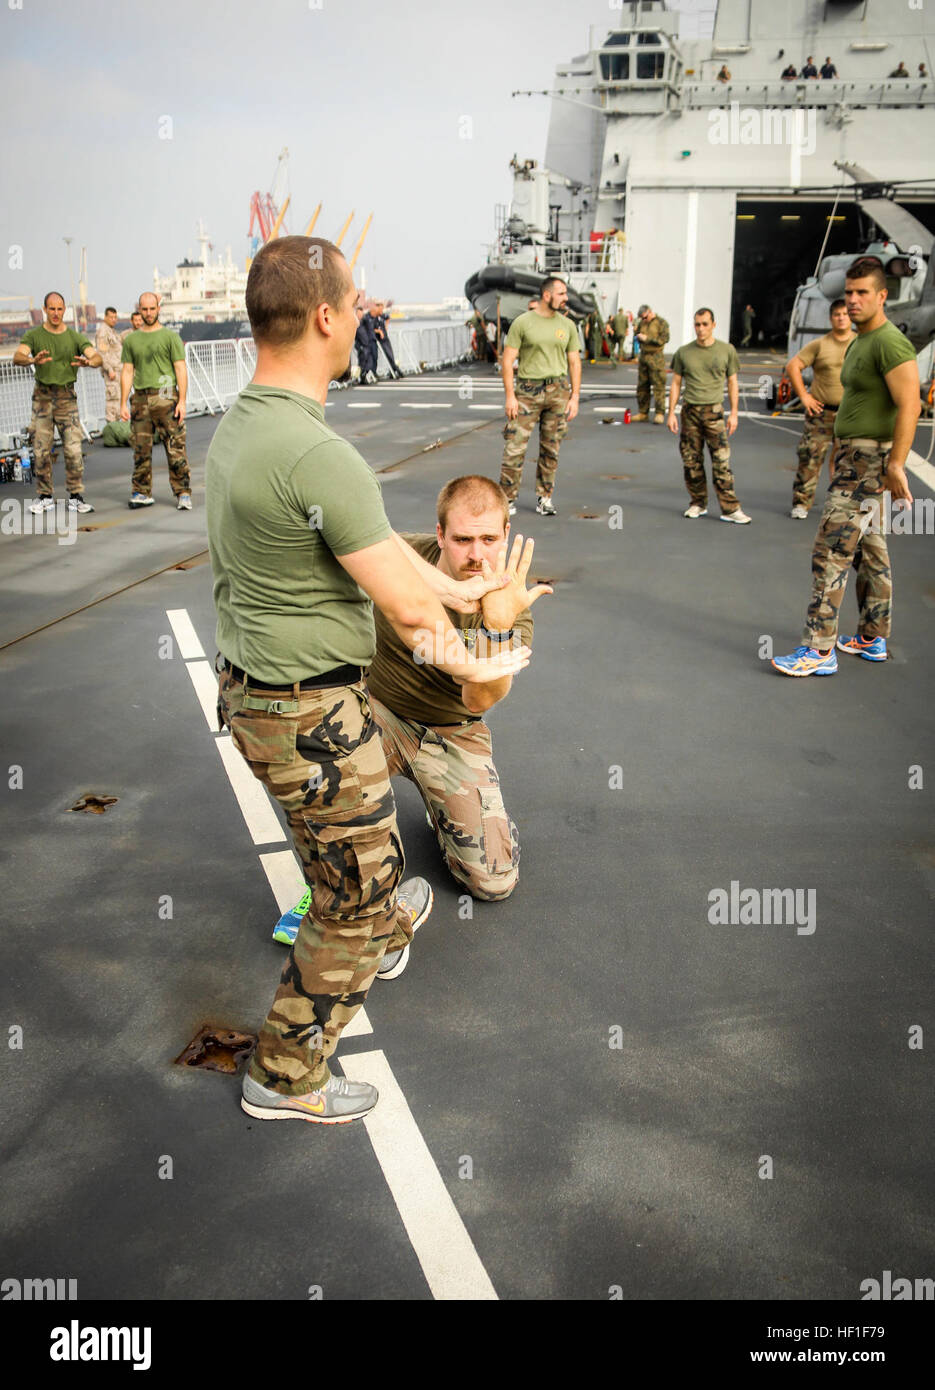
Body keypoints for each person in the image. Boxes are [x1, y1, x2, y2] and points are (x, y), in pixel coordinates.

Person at [205, 235, 530, 1123]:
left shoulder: (247, 426)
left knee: (348, 860)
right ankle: (287, 1075)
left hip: (258, 697)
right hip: (309, 712)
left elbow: (377, 549)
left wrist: (459, 582)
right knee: (353, 903)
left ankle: (380, 921)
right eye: (354, 302)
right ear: (322, 316)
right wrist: (488, 652)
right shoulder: (319, 457)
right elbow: (411, 618)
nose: (362, 313)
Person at [272, 474, 551, 945]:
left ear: (505, 535)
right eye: (462, 539)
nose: (476, 554)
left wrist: (498, 626)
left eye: (488, 539)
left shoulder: (510, 601)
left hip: (452, 733)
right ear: (440, 534)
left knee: (492, 883)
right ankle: (327, 883)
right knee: (316, 761)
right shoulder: (401, 556)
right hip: (378, 713)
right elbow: (331, 542)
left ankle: (453, 818)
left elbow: (476, 699)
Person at [772, 258, 919, 675]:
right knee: (870, 550)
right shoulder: (860, 341)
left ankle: (819, 650)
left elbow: (912, 403)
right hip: (854, 457)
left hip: (870, 462)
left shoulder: (890, 342)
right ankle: (872, 638)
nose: (853, 300)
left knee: (830, 551)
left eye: (862, 293)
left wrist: (896, 464)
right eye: (849, 293)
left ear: (882, 296)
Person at [13, 290, 102, 515]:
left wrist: (89, 362)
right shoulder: (34, 336)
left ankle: (75, 497)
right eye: (51, 309)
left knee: (73, 450)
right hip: (42, 398)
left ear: (64, 310)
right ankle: (45, 497)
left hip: (66, 399)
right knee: (41, 449)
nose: (55, 313)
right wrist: (33, 359)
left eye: (59, 309)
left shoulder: (74, 337)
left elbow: (97, 356)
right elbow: (18, 357)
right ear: (44, 310)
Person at [499, 275, 581, 517]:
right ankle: (507, 500)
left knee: (551, 448)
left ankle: (545, 497)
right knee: (514, 447)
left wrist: (575, 396)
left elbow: (574, 361)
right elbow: (507, 360)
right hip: (527, 392)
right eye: (562, 294)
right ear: (547, 295)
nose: (566, 298)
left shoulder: (567, 326)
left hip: (558, 391)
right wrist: (510, 396)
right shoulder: (523, 323)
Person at [667, 307, 751, 523]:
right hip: (690, 412)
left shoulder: (726, 350)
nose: (701, 329)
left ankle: (730, 508)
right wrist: (671, 413)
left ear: (714, 325)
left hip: (714, 412)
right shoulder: (684, 352)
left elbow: (732, 382)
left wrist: (734, 413)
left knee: (721, 461)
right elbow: (676, 383)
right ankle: (697, 503)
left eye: (705, 324)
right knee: (691, 461)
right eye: (697, 324)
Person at [119, 291, 191, 510]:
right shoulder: (131, 339)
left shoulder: (170, 337)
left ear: (158, 309)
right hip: (140, 399)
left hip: (166, 395)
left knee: (174, 446)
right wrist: (123, 402)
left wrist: (182, 401)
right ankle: (141, 492)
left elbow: (180, 368)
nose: (149, 313)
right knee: (140, 448)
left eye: (152, 309)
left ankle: (183, 492)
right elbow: (127, 371)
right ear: (139, 310)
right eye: (145, 309)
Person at [785, 299, 854, 518]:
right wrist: (804, 396)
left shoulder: (861, 343)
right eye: (837, 314)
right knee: (810, 456)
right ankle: (801, 503)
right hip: (821, 413)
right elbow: (793, 366)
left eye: (845, 313)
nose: (841, 317)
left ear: (850, 316)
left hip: (851, 414)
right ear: (831, 318)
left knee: (849, 460)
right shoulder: (820, 344)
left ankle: (842, 504)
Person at [632, 304, 670, 423]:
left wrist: (647, 339)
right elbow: (637, 334)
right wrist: (637, 336)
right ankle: (643, 412)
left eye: (644, 317)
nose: (643, 320)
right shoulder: (642, 323)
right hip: (644, 356)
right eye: (641, 318)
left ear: (650, 312)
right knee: (642, 386)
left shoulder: (661, 323)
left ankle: (659, 413)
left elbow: (664, 339)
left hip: (656, 357)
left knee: (658, 385)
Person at [96, 306, 123, 423]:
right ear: (105, 317)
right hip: (112, 372)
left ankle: (117, 426)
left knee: (118, 400)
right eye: (111, 317)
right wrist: (109, 369)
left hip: (118, 371)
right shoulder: (103, 332)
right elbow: (102, 353)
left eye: (115, 317)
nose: (113, 319)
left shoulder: (112, 331)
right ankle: (112, 427)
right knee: (112, 401)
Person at [374, 301, 403, 380]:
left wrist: (386, 326)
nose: (381, 310)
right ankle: (395, 370)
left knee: (391, 355)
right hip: (380, 340)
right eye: (380, 309)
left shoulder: (383, 316)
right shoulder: (374, 318)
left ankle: (394, 370)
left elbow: (388, 318)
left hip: (386, 338)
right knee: (387, 355)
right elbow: (372, 329)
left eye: (382, 309)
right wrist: (379, 331)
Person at [354, 306, 377, 381]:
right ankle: (361, 378)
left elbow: (370, 329)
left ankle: (364, 375)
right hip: (361, 345)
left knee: (370, 362)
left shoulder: (364, 322)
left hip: (367, 345)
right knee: (362, 362)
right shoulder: (354, 324)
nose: (360, 315)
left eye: (361, 314)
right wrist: (358, 346)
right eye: (359, 314)